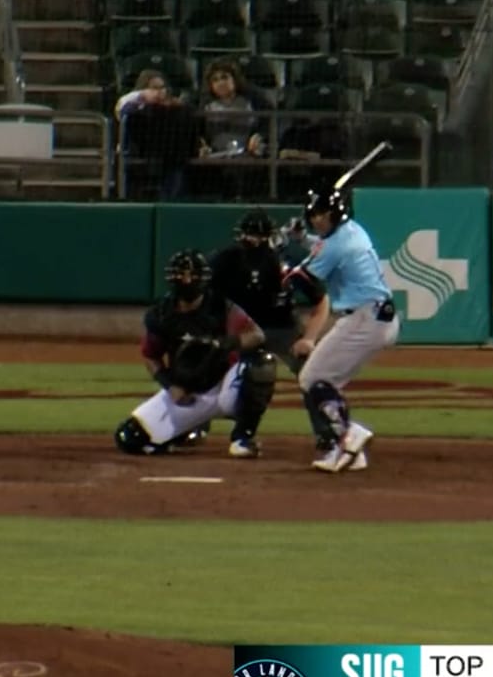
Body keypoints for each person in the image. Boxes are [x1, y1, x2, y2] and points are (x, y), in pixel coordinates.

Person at [283, 189, 401, 473]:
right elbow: (323, 247)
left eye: (322, 215)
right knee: (325, 384)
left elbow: (302, 280)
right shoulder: (352, 230)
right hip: (375, 317)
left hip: (364, 319)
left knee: (313, 378)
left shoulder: (337, 246)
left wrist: (278, 256)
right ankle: (351, 453)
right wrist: (302, 239)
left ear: (335, 214)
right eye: (313, 215)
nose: (317, 220)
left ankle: (349, 434)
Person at [112, 249, 268, 456]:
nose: (186, 280)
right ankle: (185, 431)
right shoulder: (161, 314)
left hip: (225, 385)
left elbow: (256, 335)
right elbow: (151, 356)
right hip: (189, 391)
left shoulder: (220, 305)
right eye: (180, 274)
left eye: (192, 275)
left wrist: (224, 343)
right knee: (130, 438)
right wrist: (169, 385)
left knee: (261, 363)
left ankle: (243, 437)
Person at [205, 209, 317, 458]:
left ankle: (329, 432)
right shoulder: (225, 259)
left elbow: (319, 297)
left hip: (283, 328)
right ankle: (211, 429)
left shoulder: (283, 263)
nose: (253, 241)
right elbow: (206, 292)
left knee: (316, 375)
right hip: (245, 328)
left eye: (258, 236)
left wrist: (308, 338)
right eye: (250, 235)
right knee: (210, 367)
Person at [115, 69, 199, 201]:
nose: (159, 92)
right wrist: (141, 98)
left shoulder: (175, 108)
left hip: (170, 153)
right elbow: (121, 110)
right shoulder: (133, 104)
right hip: (141, 150)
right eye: (154, 88)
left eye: (162, 87)